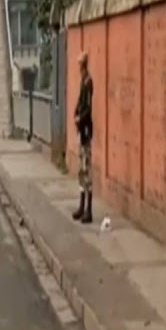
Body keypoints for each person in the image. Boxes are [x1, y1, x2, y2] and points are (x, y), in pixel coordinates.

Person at [72, 51, 94, 224]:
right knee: (81, 168)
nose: (78, 67)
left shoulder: (88, 82)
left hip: (85, 131)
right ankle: (81, 206)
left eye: (80, 64)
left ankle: (88, 209)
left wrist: (80, 118)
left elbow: (87, 108)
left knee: (86, 168)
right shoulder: (83, 81)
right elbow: (80, 103)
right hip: (81, 130)